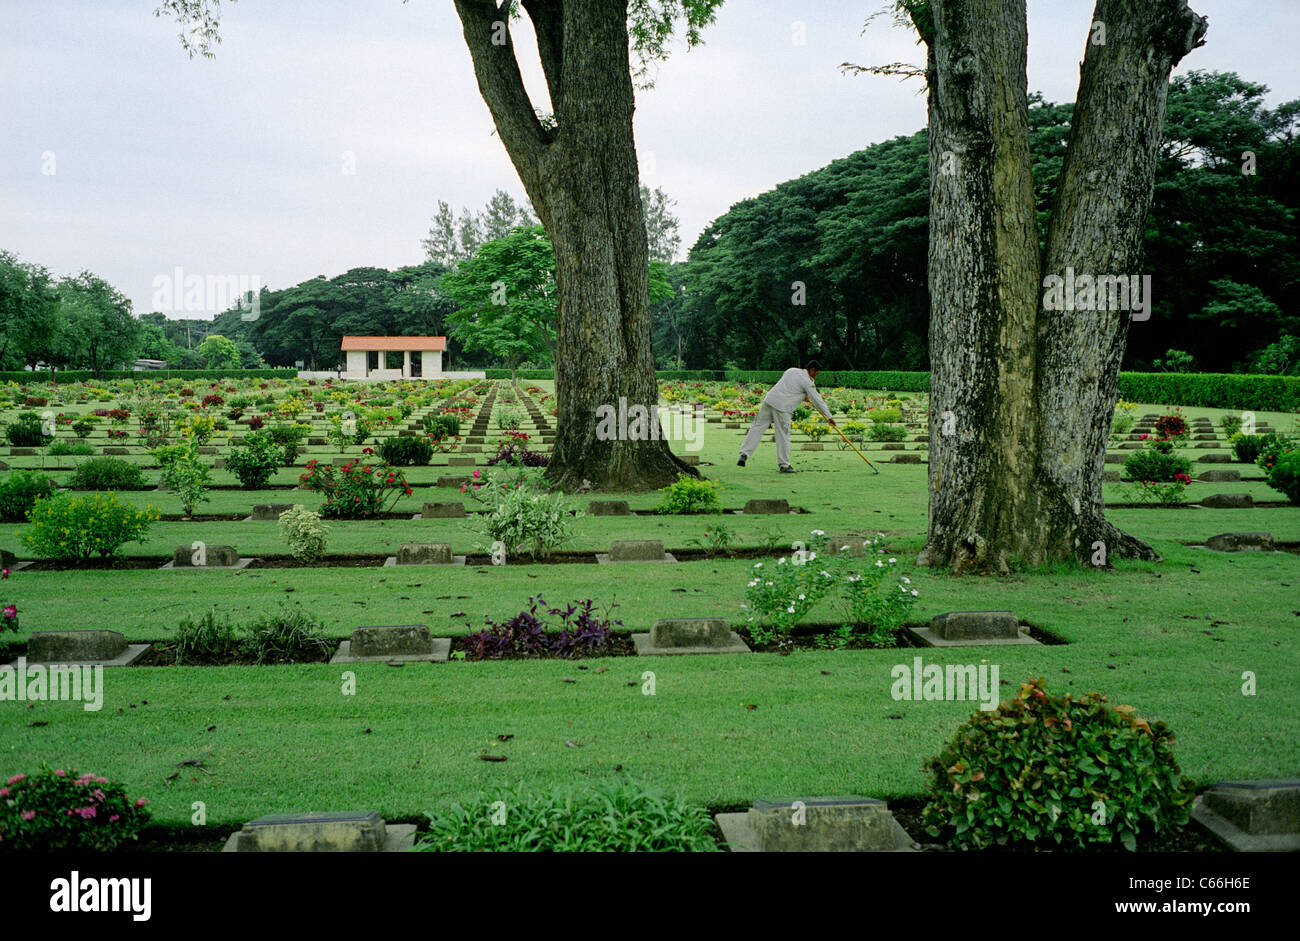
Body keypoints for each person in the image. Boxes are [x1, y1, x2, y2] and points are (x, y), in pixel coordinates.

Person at [737, 360, 835, 473]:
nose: (816, 376)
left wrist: (802, 395)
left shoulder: (791, 370)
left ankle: (744, 454)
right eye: (816, 373)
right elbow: (817, 400)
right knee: (783, 435)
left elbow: (789, 387)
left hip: (769, 400)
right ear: (812, 370)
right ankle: (784, 465)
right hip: (782, 407)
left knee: (757, 427)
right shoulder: (807, 381)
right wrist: (829, 417)